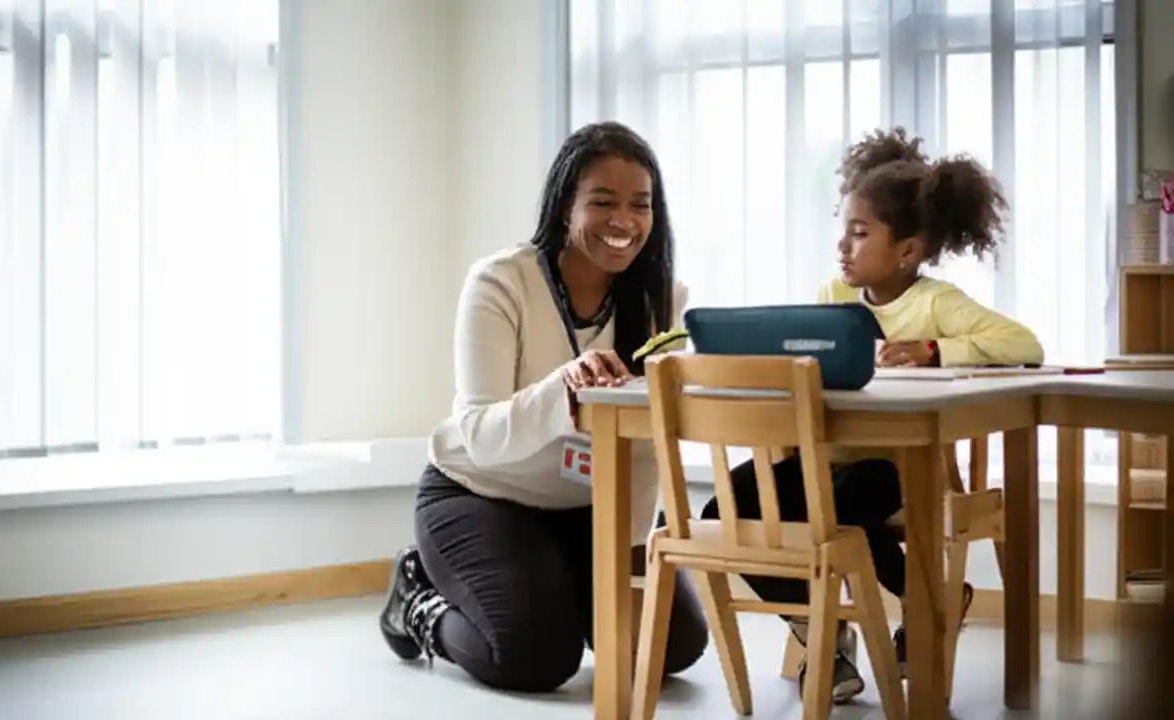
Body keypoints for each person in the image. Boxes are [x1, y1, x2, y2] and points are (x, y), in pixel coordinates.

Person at [702, 127, 1045, 704]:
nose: (843, 248)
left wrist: (934, 349)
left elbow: (1023, 343)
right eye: (843, 232)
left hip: (895, 473)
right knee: (725, 510)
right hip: (821, 464)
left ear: (908, 251)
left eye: (860, 235)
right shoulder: (832, 295)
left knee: (857, 495)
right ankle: (825, 629)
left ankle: (914, 604)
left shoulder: (936, 303)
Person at [379, 121, 708, 693]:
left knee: (670, 644)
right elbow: (478, 432)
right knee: (534, 654)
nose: (624, 222)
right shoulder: (501, 282)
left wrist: (629, 558)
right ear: (564, 208)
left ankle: (559, 584)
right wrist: (562, 393)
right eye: (602, 202)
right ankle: (417, 601)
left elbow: (650, 442)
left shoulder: (663, 297)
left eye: (641, 205)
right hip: (482, 493)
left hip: (586, 508)